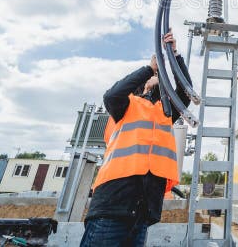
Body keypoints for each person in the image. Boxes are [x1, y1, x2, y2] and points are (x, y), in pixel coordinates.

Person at [80, 30, 191, 247]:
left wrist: (174, 55)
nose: (156, 82)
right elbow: (112, 94)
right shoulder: (125, 106)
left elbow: (186, 93)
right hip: (112, 206)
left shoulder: (165, 113)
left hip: (142, 213)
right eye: (152, 81)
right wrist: (150, 68)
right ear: (140, 88)